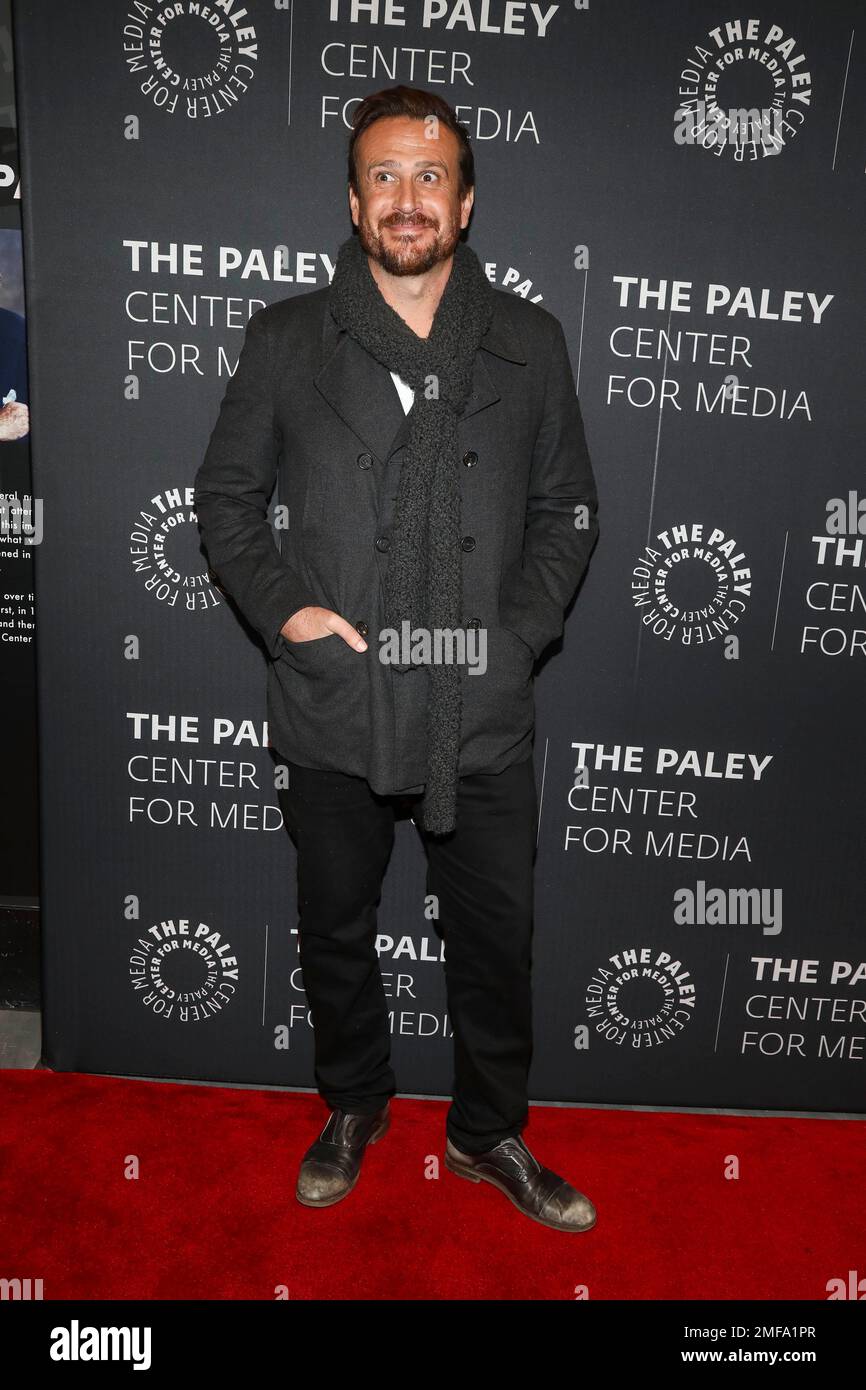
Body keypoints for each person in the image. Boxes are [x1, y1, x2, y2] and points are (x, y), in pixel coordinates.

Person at [194, 85, 600, 1234]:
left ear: (464, 202)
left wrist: (516, 642)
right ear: (352, 198)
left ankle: (483, 1132)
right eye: (383, 174)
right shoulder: (286, 338)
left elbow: (568, 510)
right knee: (335, 929)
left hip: (478, 702)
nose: (406, 198)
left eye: (429, 176)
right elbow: (226, 500)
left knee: (492, 943)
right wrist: (289, 615)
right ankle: (353, 1105)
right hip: (337, 701)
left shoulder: (528, 342)